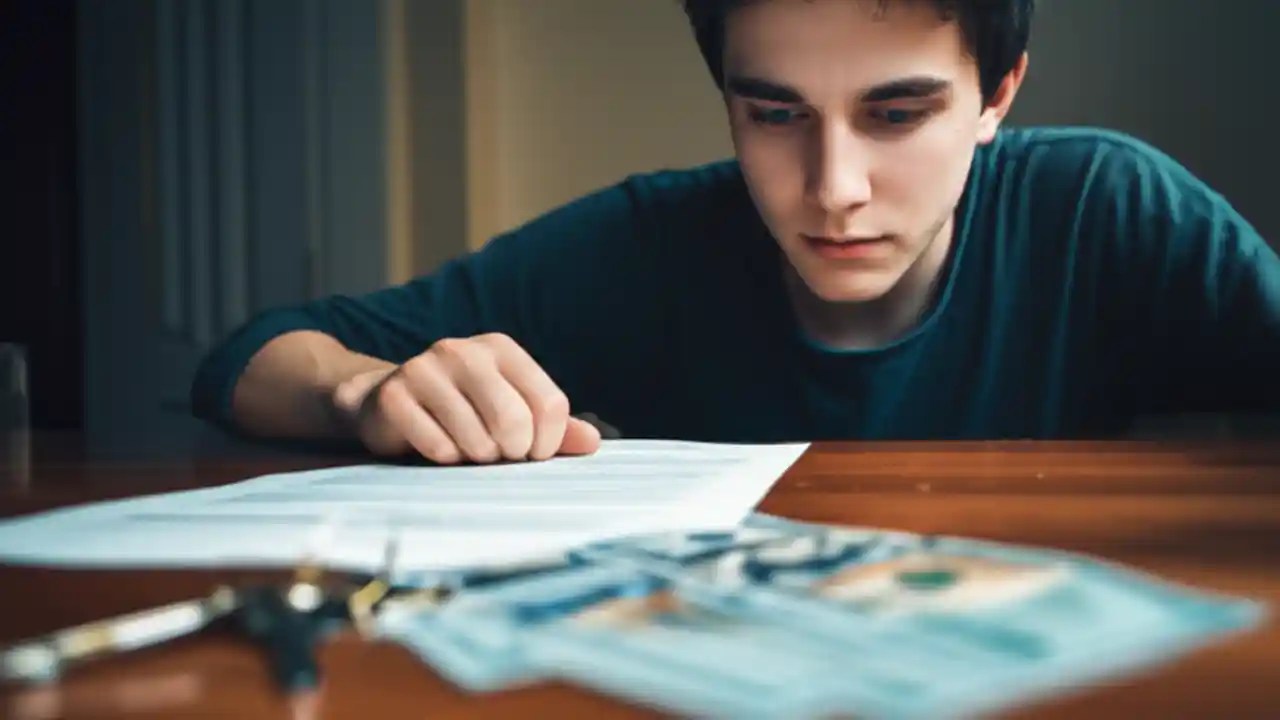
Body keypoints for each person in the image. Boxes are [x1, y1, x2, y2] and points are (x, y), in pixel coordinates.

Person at [192, 0, 1280, 464]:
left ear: (997, 95)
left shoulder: (1105, 209)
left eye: (897, 115)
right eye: (774, 115)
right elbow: (249, 356)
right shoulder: (650, 244)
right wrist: (364, 393)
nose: (833, 189)